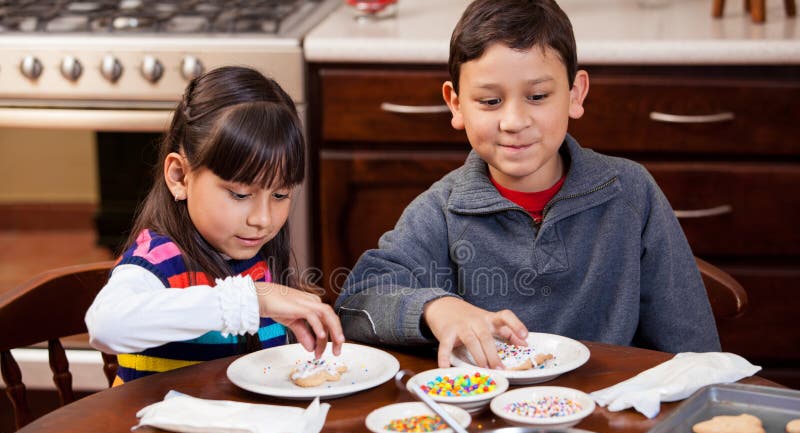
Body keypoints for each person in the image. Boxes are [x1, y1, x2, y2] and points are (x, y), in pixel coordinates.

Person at [335, 0, 720, 370]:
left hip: (614, 414)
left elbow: (695, 352)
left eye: (537, 96)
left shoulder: (632, 193)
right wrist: (435, 308)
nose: (514, 121)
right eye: (489, 101)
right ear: (455, 104)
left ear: (575, 94)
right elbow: (356, 305)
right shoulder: (440, 210)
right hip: (488, 425)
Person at [87, 66, 344, 384]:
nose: (262, 219)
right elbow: (106, 326)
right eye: (239, 194)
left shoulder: (253, 254)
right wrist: (251, 300)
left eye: (280, 194)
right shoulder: (157, 261)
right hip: (162, 432)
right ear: (180, 177)